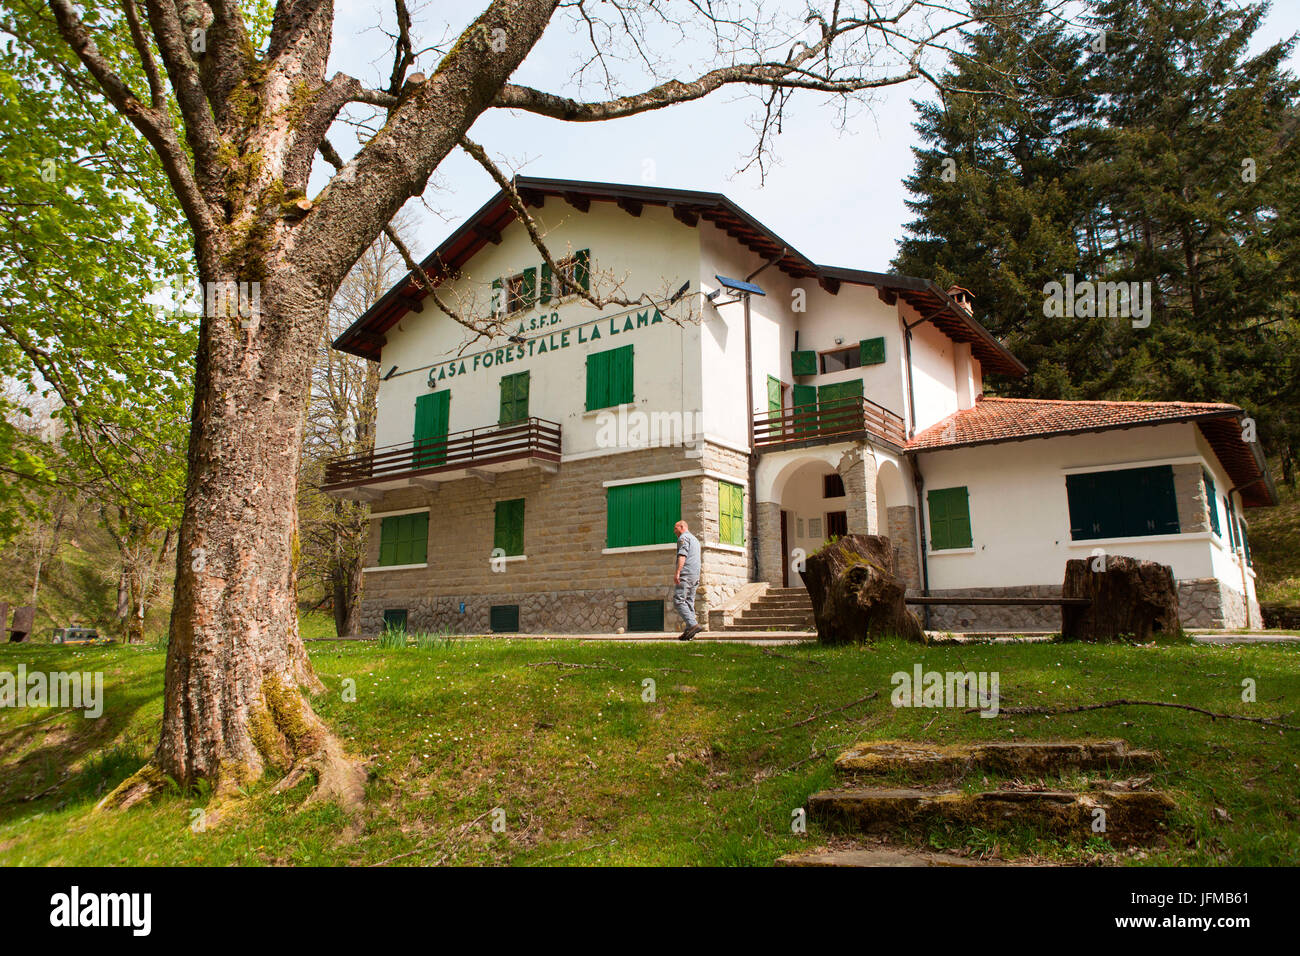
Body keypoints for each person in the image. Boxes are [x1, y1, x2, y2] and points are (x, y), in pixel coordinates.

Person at [673, 519, 702, 641]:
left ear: (682, 526)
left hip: (686, 573)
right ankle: (689, 631)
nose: (674, 531)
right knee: (689, 601)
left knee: (678, 600)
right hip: (695, 574)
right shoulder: (695, 540)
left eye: (675, 528)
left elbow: (682, 555)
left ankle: (692, 624)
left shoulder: (683, 538)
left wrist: (678, 572)